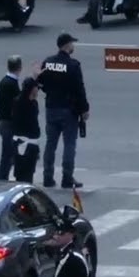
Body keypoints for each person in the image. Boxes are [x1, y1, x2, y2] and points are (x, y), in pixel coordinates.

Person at [39, 33, 89, 189]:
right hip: (68, 110)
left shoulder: (48, 62)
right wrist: (84, 109)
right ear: (67, 45)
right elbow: (79, 89)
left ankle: (47, 177)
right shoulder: (73, 65)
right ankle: (67, 178)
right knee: (69, 145)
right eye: (72, 43)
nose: (73, 46)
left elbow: (42, 83)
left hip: (51, 108)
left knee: (50, 144)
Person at [0, 55, 23, 181]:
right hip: (8, 123)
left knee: (10, 153)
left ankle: (5, 177)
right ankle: (2, 179)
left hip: (4, 121)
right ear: (19, 68)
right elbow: (15, 104)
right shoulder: (11, 84)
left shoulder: (5, 81)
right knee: (8, 154)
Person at [11, 78, 41, 183]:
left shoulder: (32, 103)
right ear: (32, 89)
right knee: (23, 173)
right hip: (24, 142)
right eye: (36, 88)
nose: (38, 91)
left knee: (28, 172)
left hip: (29, 143)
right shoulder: (22, 103)